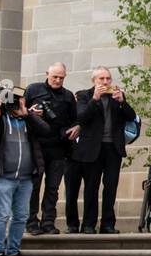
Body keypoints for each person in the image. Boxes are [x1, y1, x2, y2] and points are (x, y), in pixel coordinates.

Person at [0, 90, 53, 256]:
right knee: (2, 214)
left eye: (20, 102)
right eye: (14, 103)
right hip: (3, 176)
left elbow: (46, 130)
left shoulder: (28, 120)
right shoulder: (0, 119)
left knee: (21, 216)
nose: (17, 106)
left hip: (25, 177)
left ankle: (13, 252)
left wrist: (28, 114)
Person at [73, 67, 137, 234]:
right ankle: (88, 224)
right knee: (91, 187)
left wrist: (123, 101)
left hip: (113, 148)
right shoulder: (83, 95)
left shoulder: (116, 96)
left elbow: (131, 117)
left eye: (108, 78)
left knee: (111, 187)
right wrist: (94, 99)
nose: (105, 82)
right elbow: (81, 118)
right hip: (92, 148)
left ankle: (108, 224)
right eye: (101, 79)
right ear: (94, 80)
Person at [24, 62, 79, 235]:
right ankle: (31, 222)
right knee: (34, 186)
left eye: (61, 78)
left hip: (59, 147)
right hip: (36, 146)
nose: (57, 80)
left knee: (53, 188)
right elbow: (19, 111)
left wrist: (77, 127)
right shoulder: (33, 89)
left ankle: (48, 222)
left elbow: (75, 119)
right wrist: (31, 112)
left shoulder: (68, 96)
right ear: (47, 73)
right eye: (55, 76)